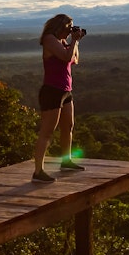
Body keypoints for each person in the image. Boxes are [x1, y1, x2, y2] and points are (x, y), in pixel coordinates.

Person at [32, 13, 86, 183]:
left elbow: (75, 59)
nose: (70, 31)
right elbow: (66, 57)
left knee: (68, 127)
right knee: (47, 132)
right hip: (52, 91)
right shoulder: (49, 39)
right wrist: (74, 41)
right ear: (60, 26)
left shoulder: (62, 42)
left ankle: (66, 161)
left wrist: (75, 42)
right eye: (69, 28)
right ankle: (38, 171)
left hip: (65, 90)